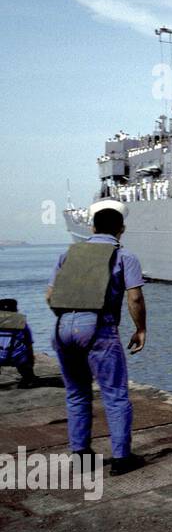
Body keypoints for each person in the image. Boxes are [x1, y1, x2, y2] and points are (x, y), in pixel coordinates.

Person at [45, 200, 146, 476]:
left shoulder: (70, 253)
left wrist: (68, 319)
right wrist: (141, 329)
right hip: (98, 328)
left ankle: (81, 456)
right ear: (121, 230)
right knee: (114, 395)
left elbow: (50, 295)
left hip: (62, 328)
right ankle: (122, 459)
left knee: (77, 393)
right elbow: (134, 297)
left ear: (91, 227)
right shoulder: (125, 256)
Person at [0, 298, 38, 388]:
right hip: (16, 357)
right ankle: (27, 379)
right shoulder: (21, 323)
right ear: (15, 310)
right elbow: (29, 343)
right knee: (23, 351)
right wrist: (31, 362)